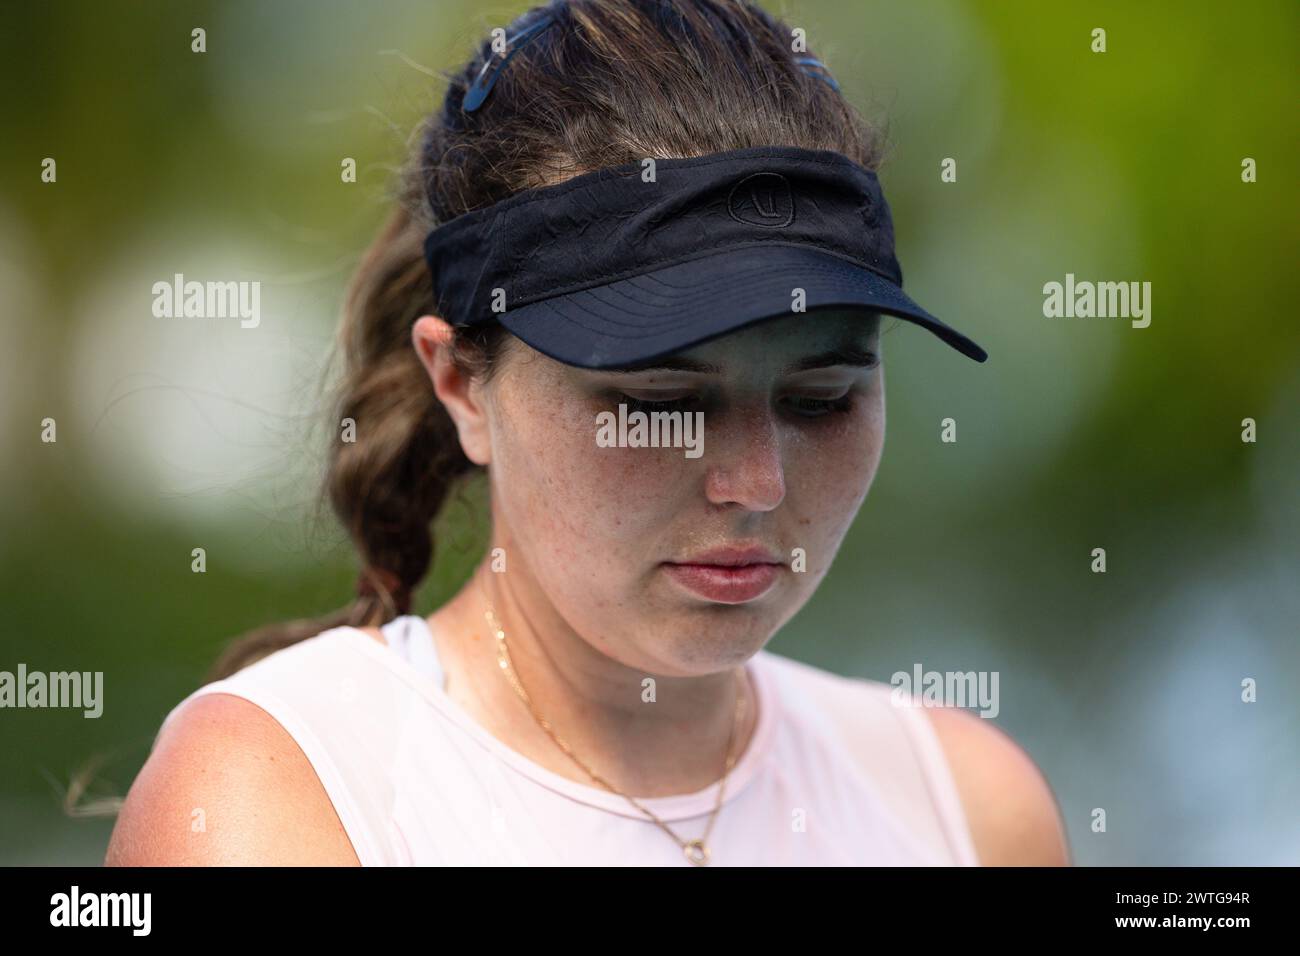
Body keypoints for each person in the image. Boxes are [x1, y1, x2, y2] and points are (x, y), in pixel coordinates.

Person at [106, 0, 1069, 866]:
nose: (756, 481)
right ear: (461, 384)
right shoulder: (277, 800)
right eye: (658, 403)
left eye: (820, 398)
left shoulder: (968, 810)